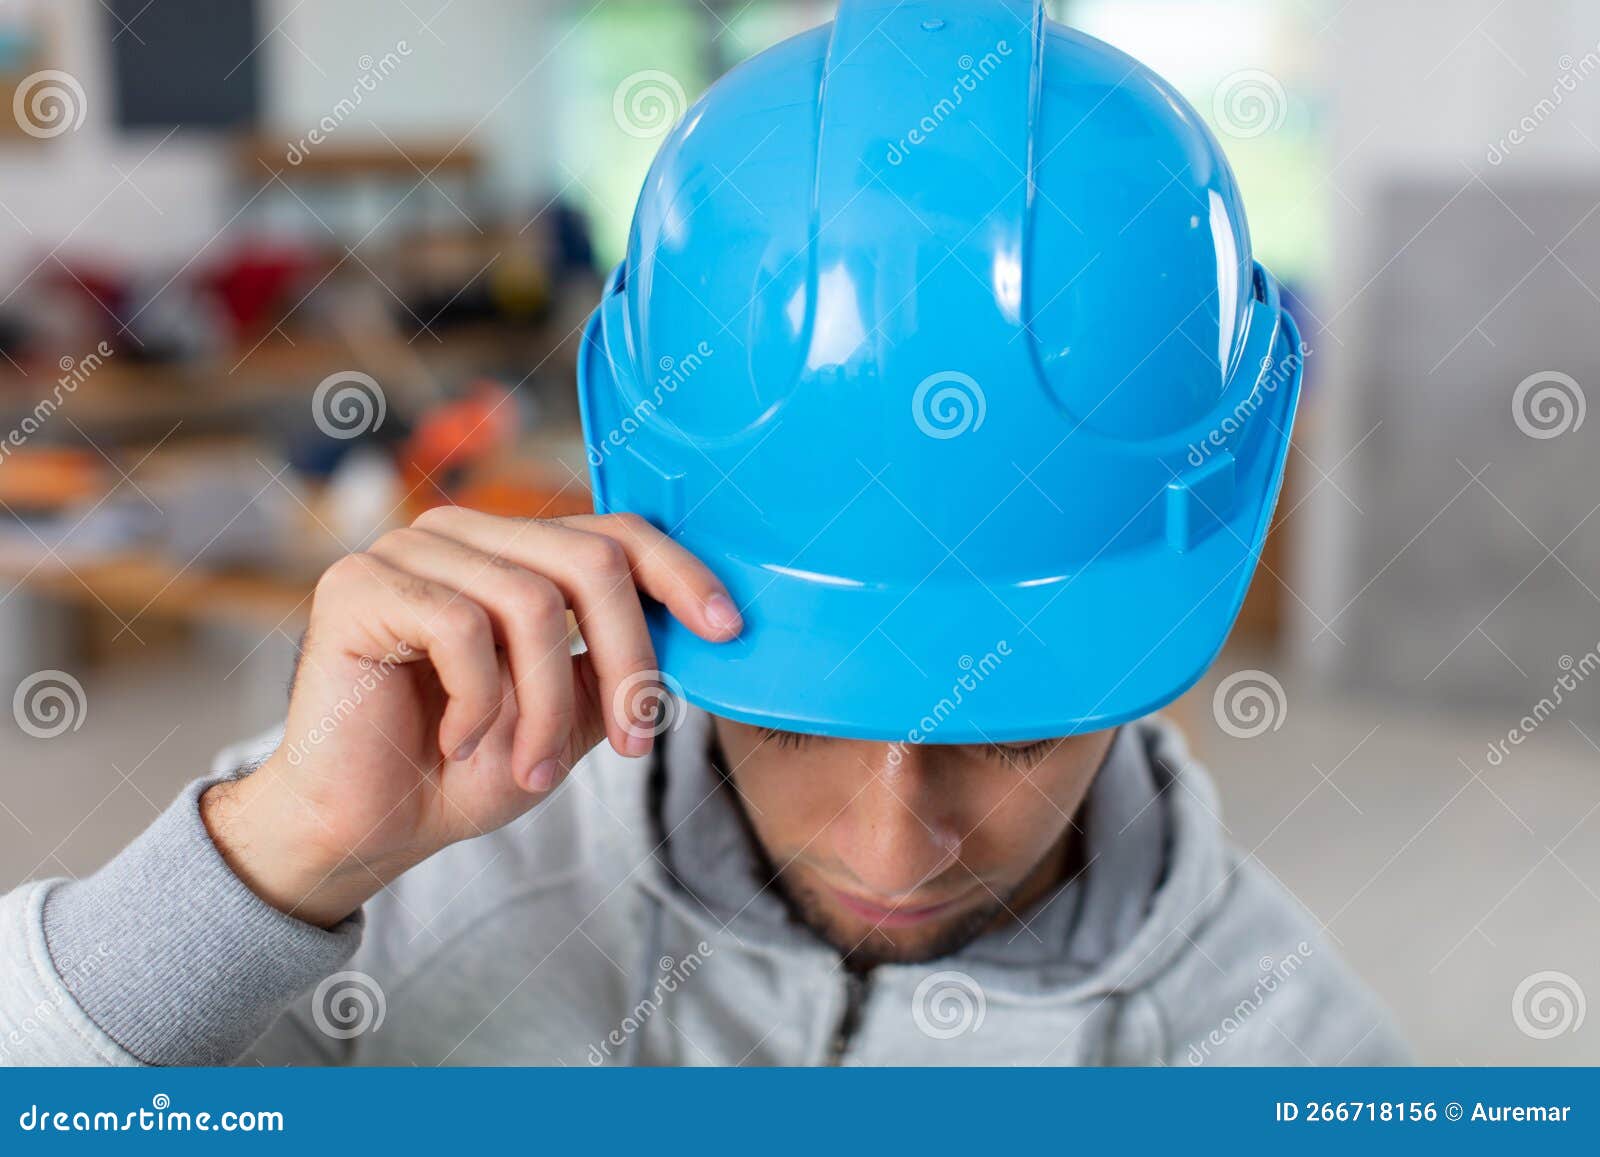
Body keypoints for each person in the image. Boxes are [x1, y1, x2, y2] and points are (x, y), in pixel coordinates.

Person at [0, 0, 1405, 1067]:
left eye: (1005, 733)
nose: (894, 846)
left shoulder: (1277, 1044)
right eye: (792, 719)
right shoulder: (425, 853)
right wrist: (274, 859)